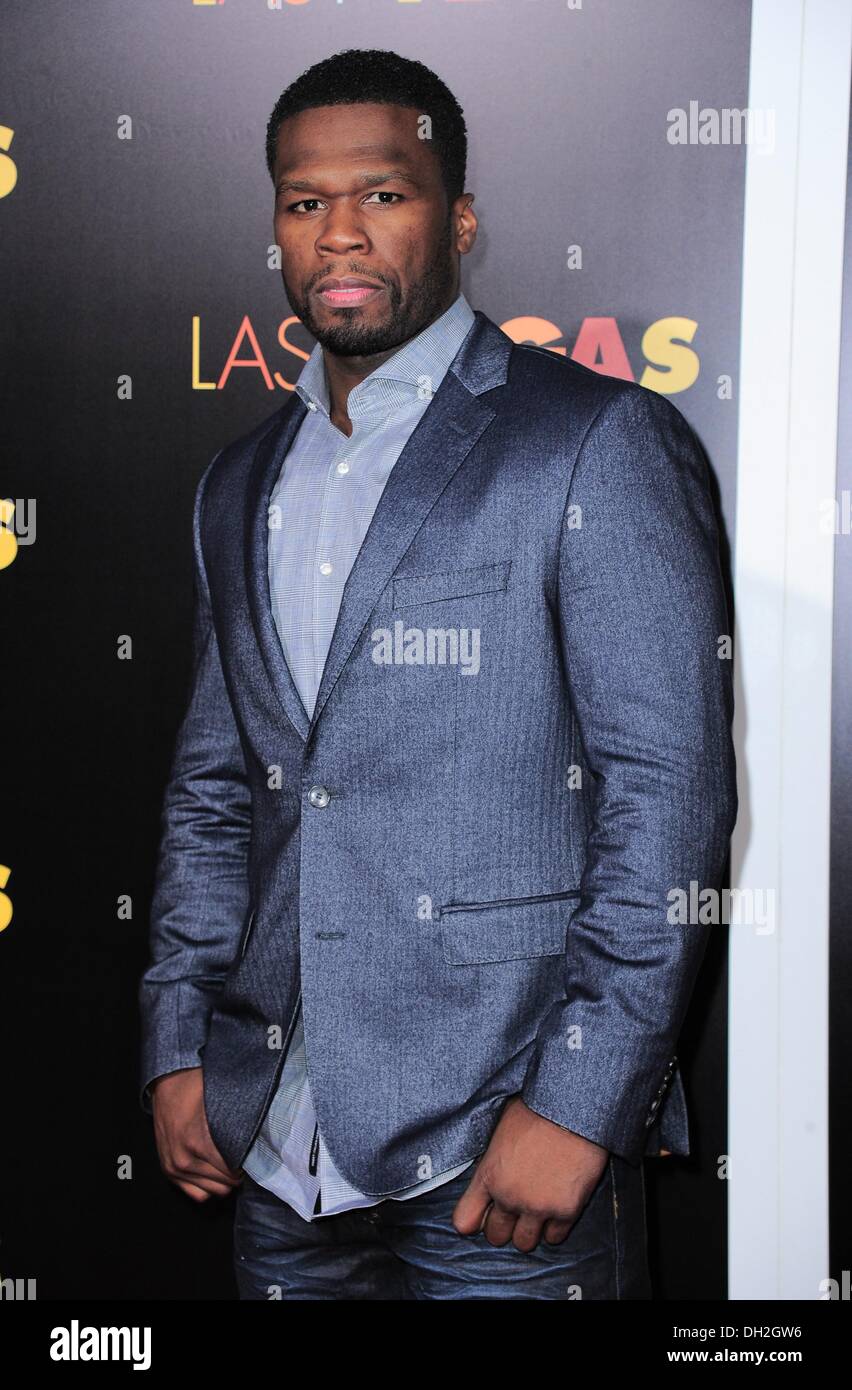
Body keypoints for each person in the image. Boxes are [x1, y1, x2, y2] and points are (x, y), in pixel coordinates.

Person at [139, 48, 737, 1301]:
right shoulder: (239, 481)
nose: (340, 232)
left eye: (384, 193)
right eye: (306, 203)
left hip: (499, 1154)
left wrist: (580, 1102)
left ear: (457, 217)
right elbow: (214, 791)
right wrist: (180, 1044)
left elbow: (667, 795)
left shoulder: (592, 441)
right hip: (280, 1148)